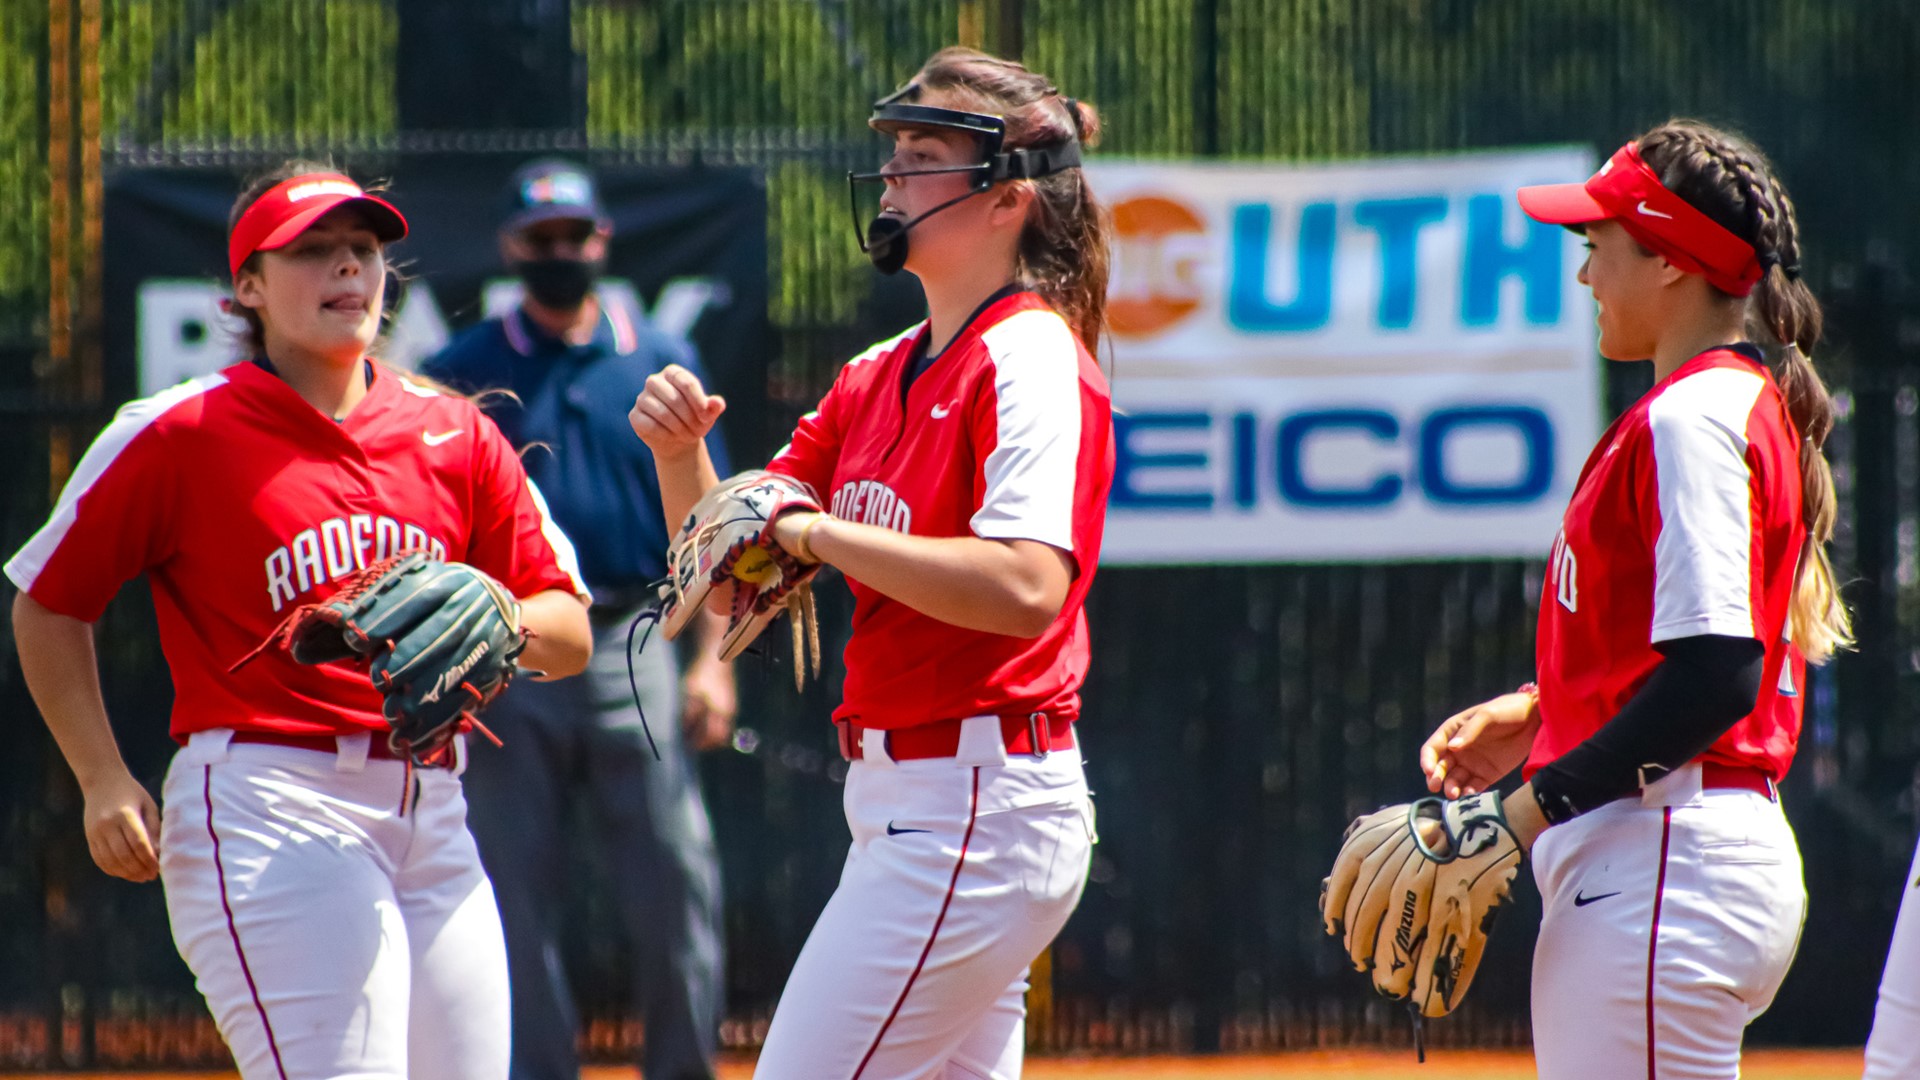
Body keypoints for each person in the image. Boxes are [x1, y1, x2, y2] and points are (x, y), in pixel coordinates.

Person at [6, 162, 594, 1079]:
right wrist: (101, 776)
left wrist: (505, 613)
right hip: (270, 801)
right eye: (313, 251)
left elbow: (570, 631)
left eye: (363, 249)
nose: (348, 268)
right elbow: (47, 601)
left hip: (433, 808)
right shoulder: (180, 430)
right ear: (248, 286)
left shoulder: (456, 431)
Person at [630, 47, 1114, 1080]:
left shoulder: (1026, 354)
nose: (891, 171)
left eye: (925, 154)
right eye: (897, 148)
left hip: (975, 810)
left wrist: (816, 535)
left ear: (1008, 199)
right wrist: (683, 459)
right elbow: (734, 576)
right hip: (924, 808)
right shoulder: (875, 373)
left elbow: (1028, 587)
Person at [1415, 120, 1848, 1078]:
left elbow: (1719, 676)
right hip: (1669, 860)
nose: (1585, 274)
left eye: (1598, 244)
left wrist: (1516, 816)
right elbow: (1694, 653)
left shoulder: (1693, 418)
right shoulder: (1716, 406)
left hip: (1661, 861)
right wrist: (1548, 714)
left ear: (1670, 260)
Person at [421, 158, 734, 1080]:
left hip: (637, 638)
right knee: (510, 885)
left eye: (573, 236)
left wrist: (713, 663)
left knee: (674, 874)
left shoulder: (656, 361)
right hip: (507, 645)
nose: (559, 251)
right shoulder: (462, 371)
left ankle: (681, 1072)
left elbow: (716, 524)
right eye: (541, 238)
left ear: (602, 239)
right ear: (511, 247)